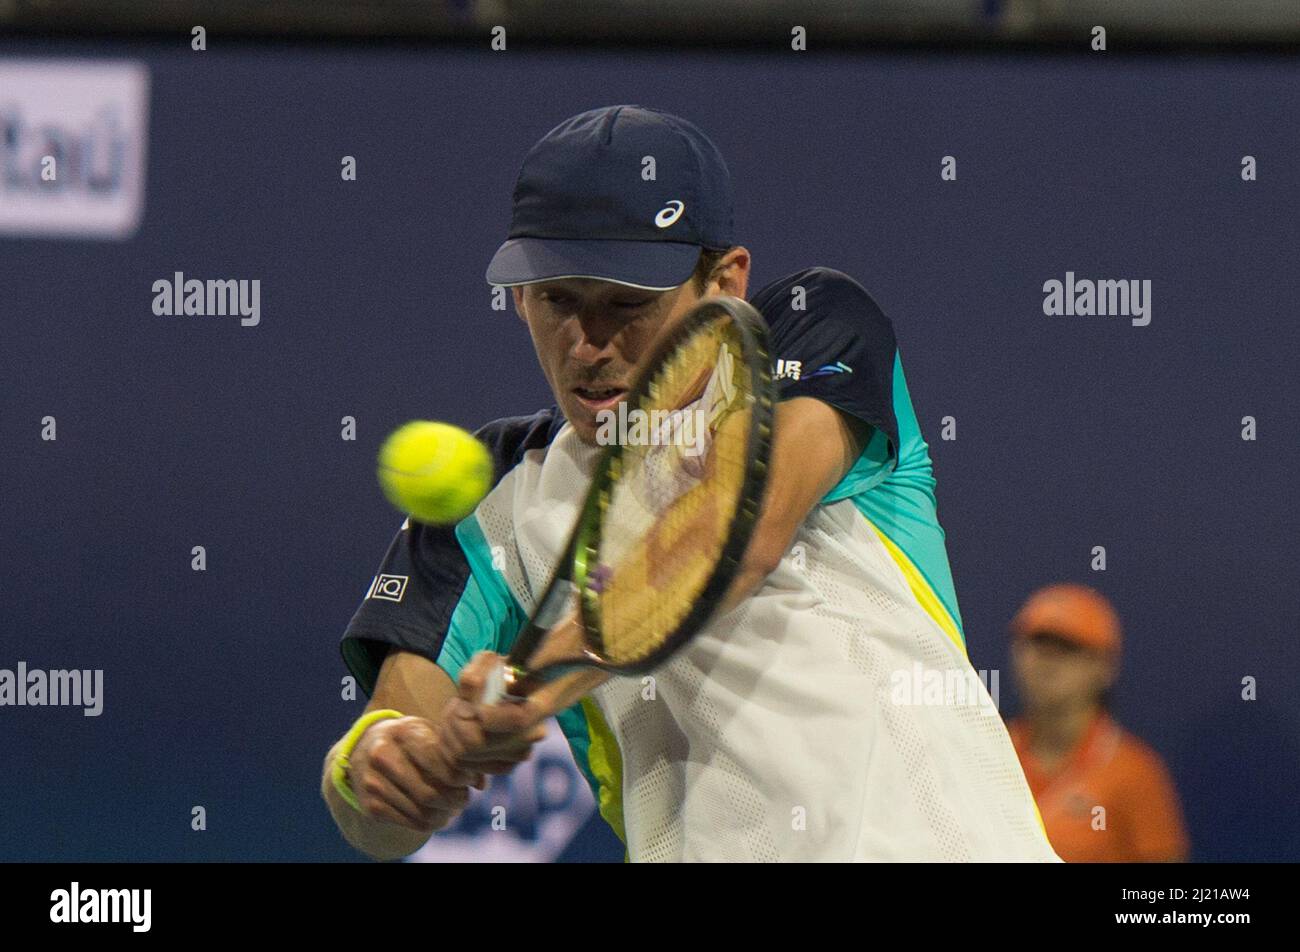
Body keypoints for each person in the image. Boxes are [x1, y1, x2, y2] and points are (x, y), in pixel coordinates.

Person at [322, 104, 1058, 862]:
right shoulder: (495, 505)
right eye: (558, 300)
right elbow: (383, 809)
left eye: (628, 304)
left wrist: (538, 680)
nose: (589, 344)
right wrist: (382, 767)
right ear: (518, 296)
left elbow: (736, 532)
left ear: (725, 281)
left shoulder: (805, 331)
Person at [1007, 583, 1190, 862]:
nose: (1048, 661)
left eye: (1067, 648)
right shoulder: (985, 754)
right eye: (1038, 644)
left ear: (1104, 666)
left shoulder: (1134, 773)